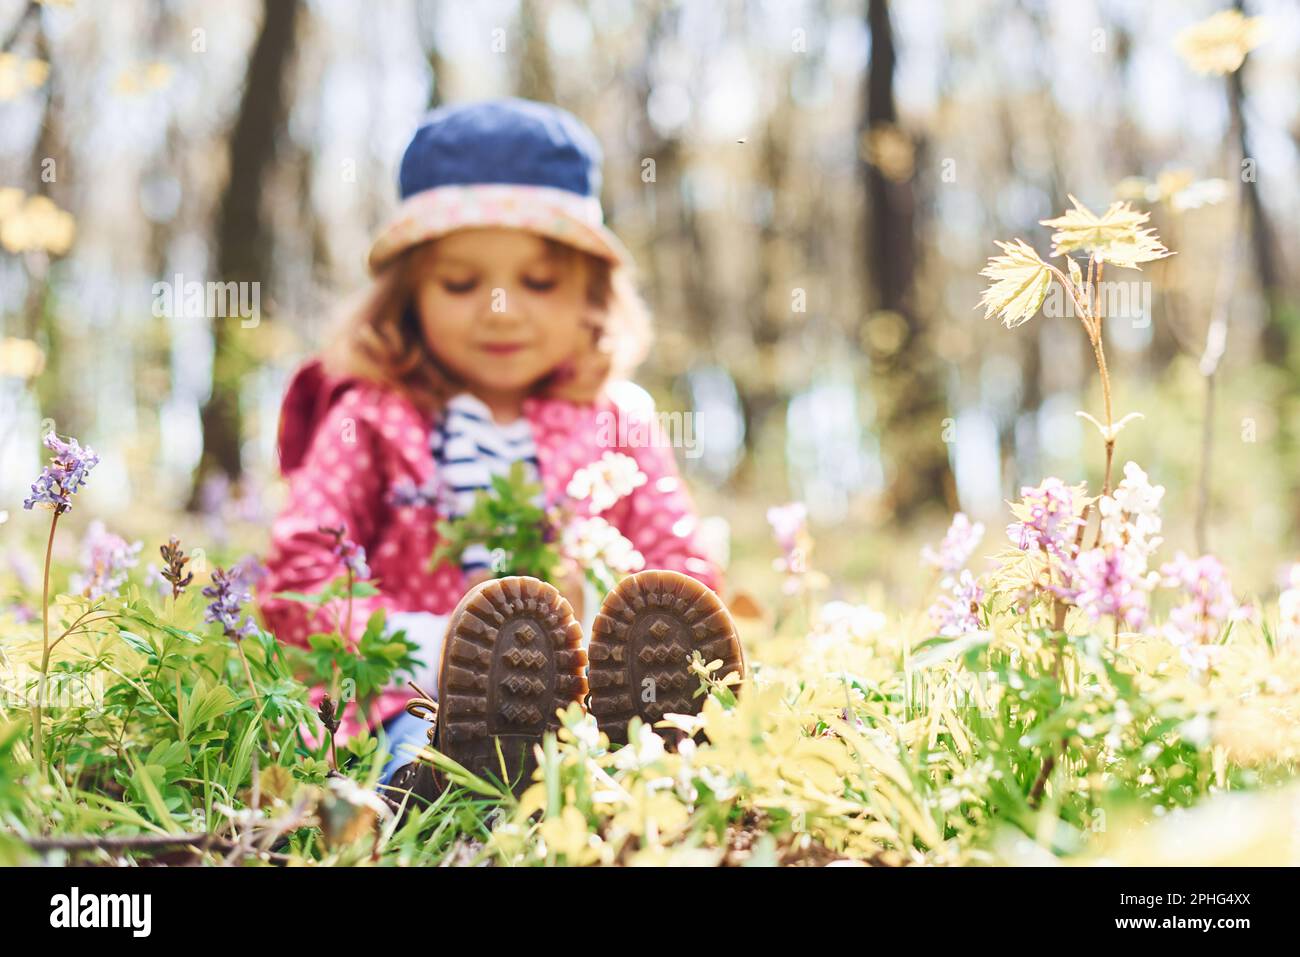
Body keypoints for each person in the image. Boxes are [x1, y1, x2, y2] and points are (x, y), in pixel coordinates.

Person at [259, 98, 739, 787]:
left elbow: (678, 562)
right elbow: (301, 569)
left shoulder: (617, 420)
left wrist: (622, 618)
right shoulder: (372, 418)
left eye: (539, 281)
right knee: (410, 725)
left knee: (623, 731)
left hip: (589, 701)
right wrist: (425, 647)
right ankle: (422, 784)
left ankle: (643, 757)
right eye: (460, 282)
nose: (500, 309)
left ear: (591, 296)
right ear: (406, 295)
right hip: (410, 689)